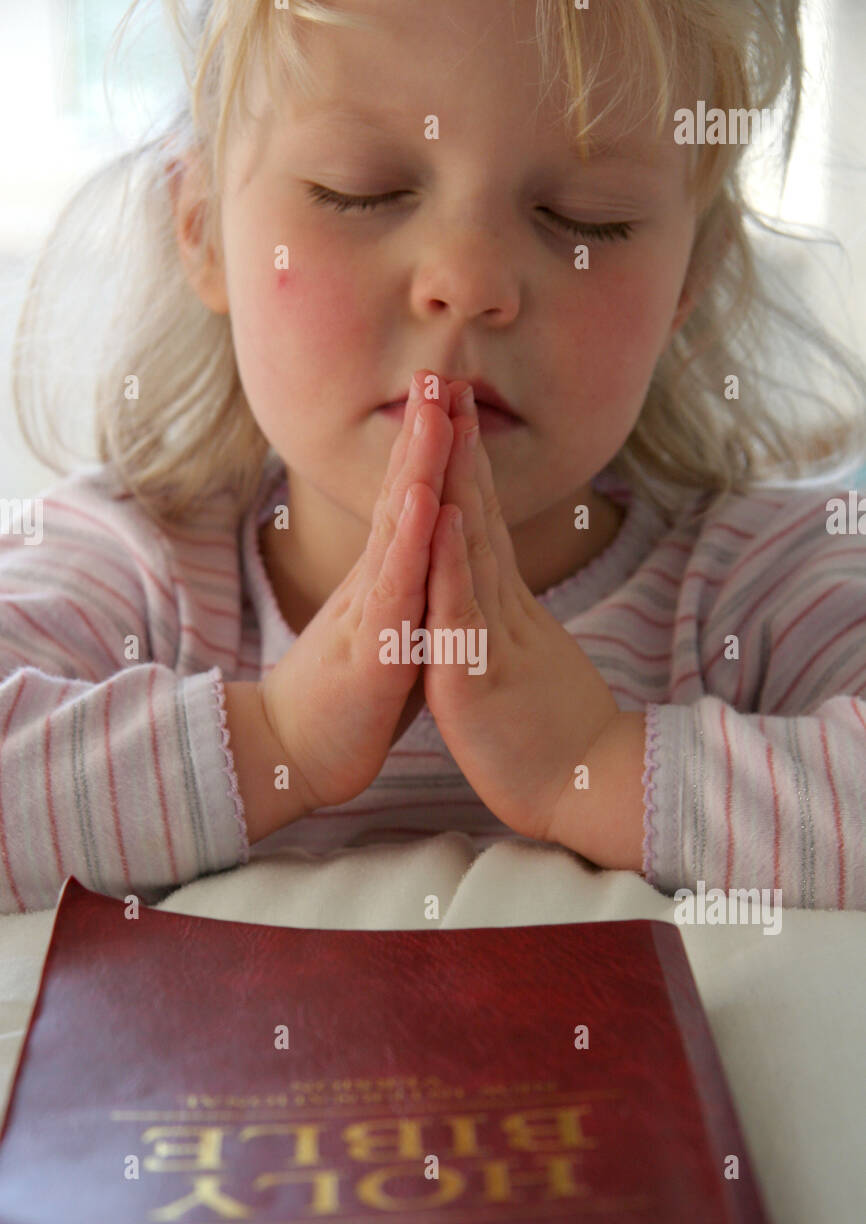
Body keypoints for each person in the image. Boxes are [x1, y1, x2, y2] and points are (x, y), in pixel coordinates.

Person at [3, 0, 865, 913]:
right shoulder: (138, 568)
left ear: (689, 278)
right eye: (359, 191)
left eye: (586, 219)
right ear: (204, 227)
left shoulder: (756, 588)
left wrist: (596, 764)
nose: (469, 281)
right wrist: (272, 745)